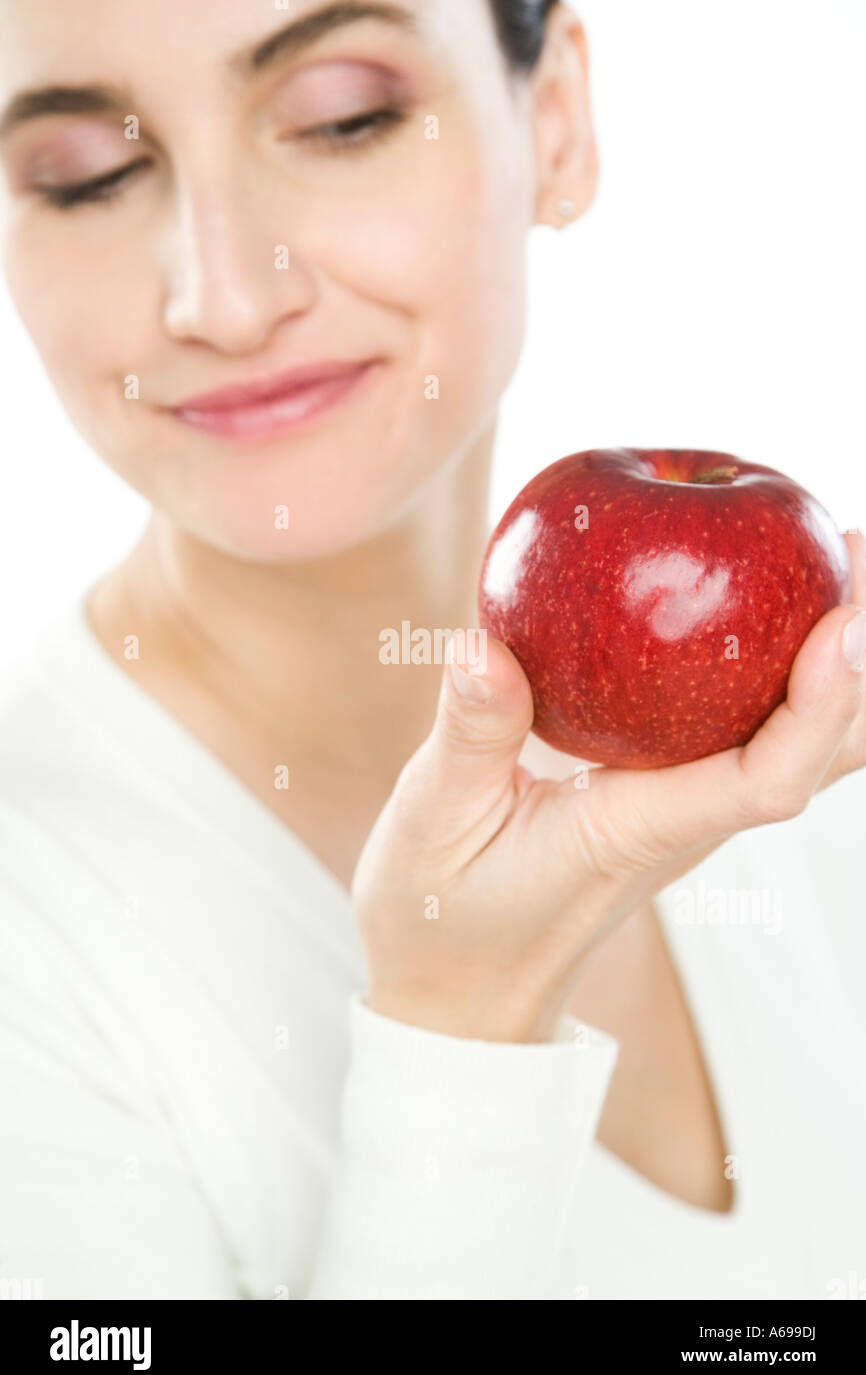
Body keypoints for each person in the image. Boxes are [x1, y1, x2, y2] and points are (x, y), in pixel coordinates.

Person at [0, 0, 864, 1301]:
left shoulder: (806, 734)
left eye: (342, 117)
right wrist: (462, 1024)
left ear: (555, 121)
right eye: (87, 177)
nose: (222, 297)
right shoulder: (35, 935)